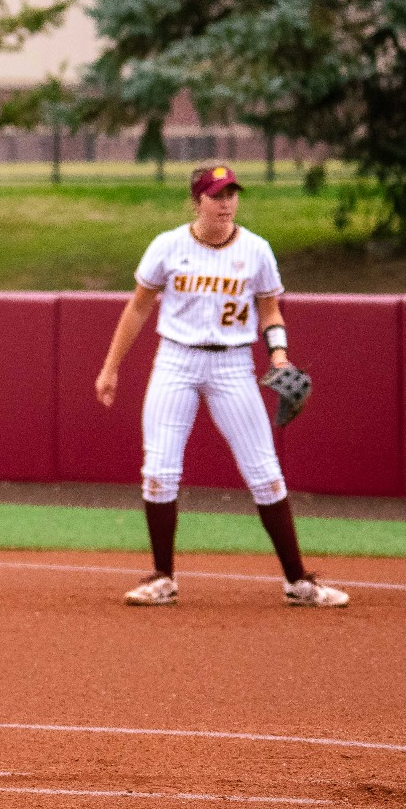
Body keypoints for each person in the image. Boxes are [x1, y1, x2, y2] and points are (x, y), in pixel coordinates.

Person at [94, 164, 349, 608]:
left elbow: (269, 310)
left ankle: (298, 581)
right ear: (197, 201)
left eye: (232, 193)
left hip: (232, 363)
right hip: (176, 359)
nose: (226, 202)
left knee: (265, 473)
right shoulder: (168, 245)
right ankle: (162, 577)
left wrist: (279, 354)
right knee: (160, 469)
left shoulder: (256, 250)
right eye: (216, 195)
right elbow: (137, 309)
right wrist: (111, 366)